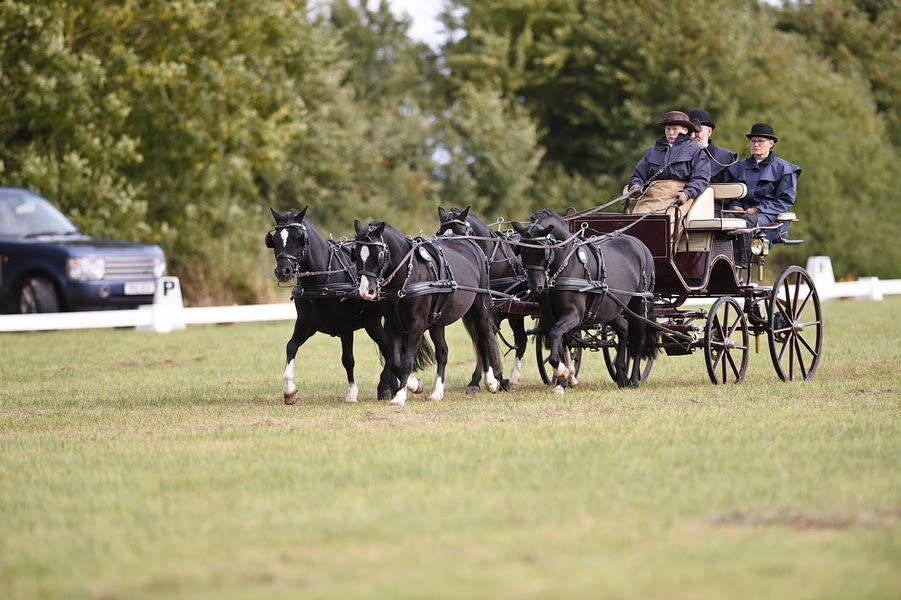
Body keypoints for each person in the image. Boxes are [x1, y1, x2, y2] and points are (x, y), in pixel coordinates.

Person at [627, 110, 711, 243]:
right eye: (668, 129)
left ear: (684, 130)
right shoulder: (651, 152)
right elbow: (638, 175)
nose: (671, 132)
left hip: (678, 198)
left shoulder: (696, 151)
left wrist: (687, 193)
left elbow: (701, 179)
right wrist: (636, 186)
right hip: (651, 196)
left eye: (674, 129)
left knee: (663, 228)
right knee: (634, 226)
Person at [725, 122, 801, 243]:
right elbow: (732, 195)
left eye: (760, 141)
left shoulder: (784, 169)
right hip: (742, 213)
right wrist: (735, 206)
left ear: (771, 144)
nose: (756, 144)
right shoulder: (738, 167)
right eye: (753, 141)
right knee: (724, 220)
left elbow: (785, 201)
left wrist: (758, 209)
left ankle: (743, 262)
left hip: (770, 215)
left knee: (747, 223)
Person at [687, 109, 737, 183]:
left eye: (697, 131)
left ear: (709, 132)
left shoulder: (726, 158)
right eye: (690, 131)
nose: (693, 136)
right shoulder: (678, 156)